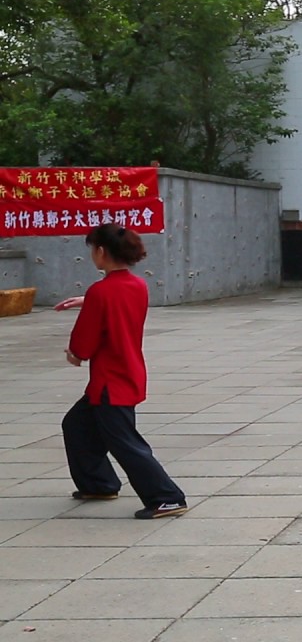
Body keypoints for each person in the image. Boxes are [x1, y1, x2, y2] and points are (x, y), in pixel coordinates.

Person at [54, 223, 187, 520]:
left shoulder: (101, 291)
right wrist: (88, 301)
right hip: (126, 373)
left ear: (101, 252)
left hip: (109, 382)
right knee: (76, 425)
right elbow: (116, 304)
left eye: (93, 249)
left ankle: (166, 497)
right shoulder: (137, 285)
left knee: (125, 443)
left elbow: (85, 341)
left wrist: (75, 354)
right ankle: (99, 484)